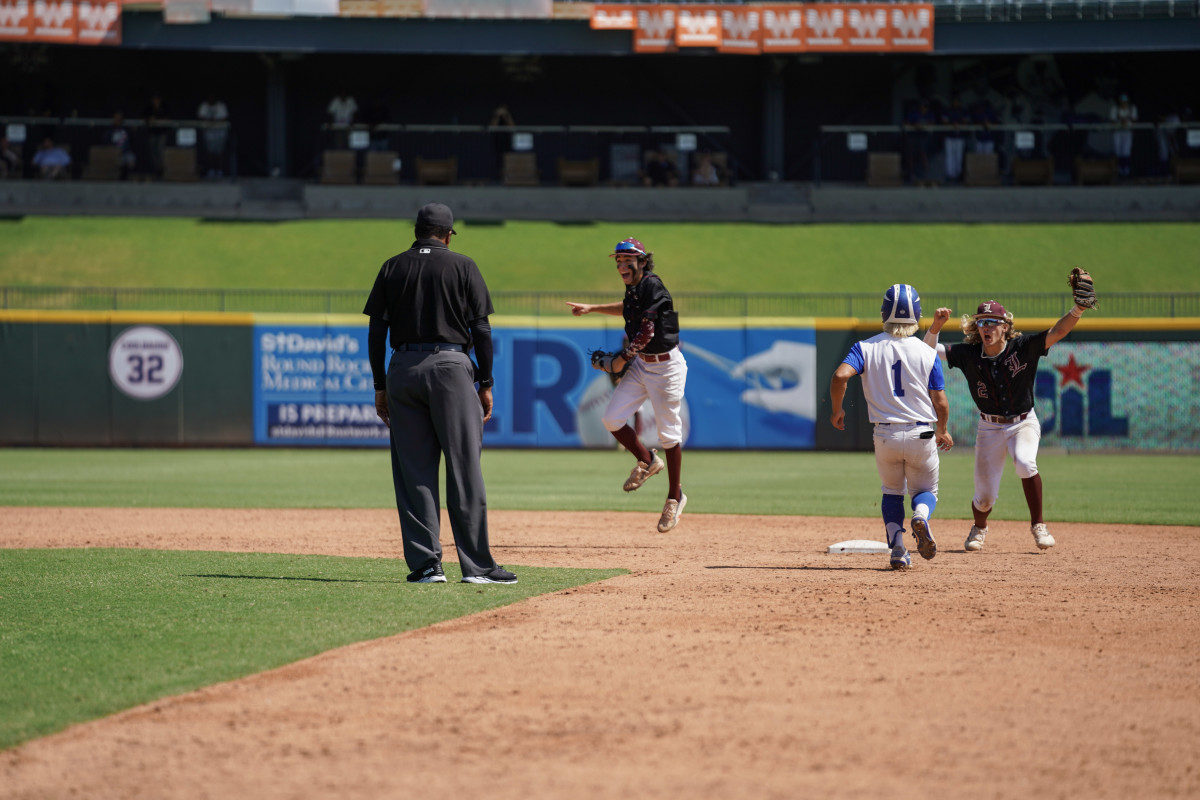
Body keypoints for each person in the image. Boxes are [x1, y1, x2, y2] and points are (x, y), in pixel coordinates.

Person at [362, 202, 516, 585]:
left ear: (416, 231)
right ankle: (477, 568)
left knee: (414, 471)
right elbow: (481, 330)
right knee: (464, 468)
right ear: (448, 234)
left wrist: (380, 384)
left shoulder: (392, 266)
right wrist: (487, 382)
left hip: (403, 369)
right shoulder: (463, 265)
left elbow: (376, 333)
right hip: (451, 368)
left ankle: (427, 566)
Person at [923, 285, 1092, 553]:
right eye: (981, 323)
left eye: (992, 322)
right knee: (985, 497)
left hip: (1023, 422)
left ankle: (1038, 525)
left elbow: (1058, 331)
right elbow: (927, 352)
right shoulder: (968, 354)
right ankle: (979, 527)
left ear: (1005, 326)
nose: (986, 327)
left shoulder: (1023, 347)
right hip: (989, 427)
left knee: (1025, 462)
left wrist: (1078, 309)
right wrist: (935, 327)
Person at [566, 238, 689, 533]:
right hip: (644, 364)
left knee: (668, 434)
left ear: (643, 261)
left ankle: (675, 496)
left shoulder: (652, 284)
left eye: (628, 260)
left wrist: (622, 358)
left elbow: (647, 329)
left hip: (666, 368)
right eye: (618, 260)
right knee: (611, 418)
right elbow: (626, 309)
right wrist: (593, 308)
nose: (622, 265)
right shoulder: (635, 288)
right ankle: (647, 460)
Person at [829, 284, 953, 570]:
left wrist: (837, 410)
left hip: (884, 434)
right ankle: (921, 515)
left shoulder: (865, 347)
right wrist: (942, 429)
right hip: (921, 432)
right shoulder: (927, 352)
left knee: (891, 492)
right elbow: (941, 401)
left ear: (884, 312)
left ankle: (898, 547)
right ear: (917, 315)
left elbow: (839, 376)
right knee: (927, 490)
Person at [196, 93, 229, 178]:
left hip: (220, 133)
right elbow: (201, 116)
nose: (211, 99)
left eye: (213, 97)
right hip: (208, 133)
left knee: (219, 153)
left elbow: (224, 117)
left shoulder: (221, 106)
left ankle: (219, 170)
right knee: (209, 153)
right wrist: (210, 120)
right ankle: (211, 170)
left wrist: (215, 120)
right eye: (210, 97)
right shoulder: (204, 106)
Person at [1110, 93, 1138, 178]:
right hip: (1117, 131)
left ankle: (1126, 170)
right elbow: (1112, 120)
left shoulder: (1132, 108)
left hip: (1127, 131)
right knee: (1118, 151)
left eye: (1125, 101)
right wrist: (1122, 120)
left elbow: (1134, 120)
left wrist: (1125, 120)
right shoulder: (1115, 108)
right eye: (1122, 101)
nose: (1123, 102)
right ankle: (1118, 170)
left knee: (1126, 150)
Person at [143, 92, 170, 178]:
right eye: (154, 99)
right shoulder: (149, 108)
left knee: (160, 151)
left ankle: (162, 169)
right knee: (153, 152)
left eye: (157, 99)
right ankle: (156, 170)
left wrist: (158, 120)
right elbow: (145, 118)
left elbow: (168, 119)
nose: (156, 101)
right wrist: (149, 119)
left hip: (161, 133)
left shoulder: (164, 107)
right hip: (152, 133)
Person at [109, 111, 136, 180]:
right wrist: (113, 151)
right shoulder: (110, 130)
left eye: (119, 118)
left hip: (126, 152)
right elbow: (107, 142)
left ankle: (126, 178)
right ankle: (120, 178)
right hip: (114, 153)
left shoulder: (126, 129)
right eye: (116, 118)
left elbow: (131, 141)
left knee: (130, 159)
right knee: (119, 161)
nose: (118, 119)